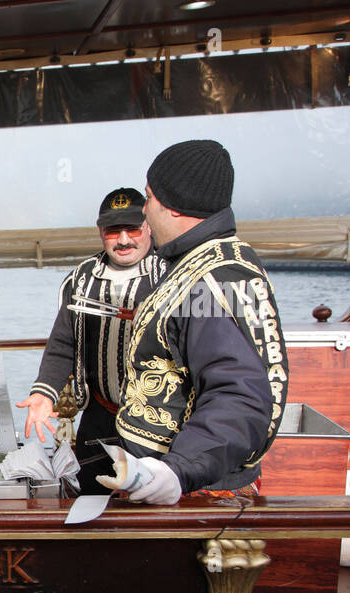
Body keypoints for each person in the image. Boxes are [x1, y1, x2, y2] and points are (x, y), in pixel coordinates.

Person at [100, 139, 289, 505]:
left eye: (150, 197)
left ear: (172, 206)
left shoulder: (212, 281)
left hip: (190, 488)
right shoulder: (205, 262)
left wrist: (179, 469)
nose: (146, 210)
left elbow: (239, 395)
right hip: (163, 474)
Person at [17, 187, 166, 493]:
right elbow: (62, 344)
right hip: (100, 415)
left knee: (149, 504)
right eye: (114, 231)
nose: (124, 239)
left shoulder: (171, 276)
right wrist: (44, 393)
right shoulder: (82, 279)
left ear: (148, 227)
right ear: (100, 232)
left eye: (132, 229)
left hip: (158, 422)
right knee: (91, 496)